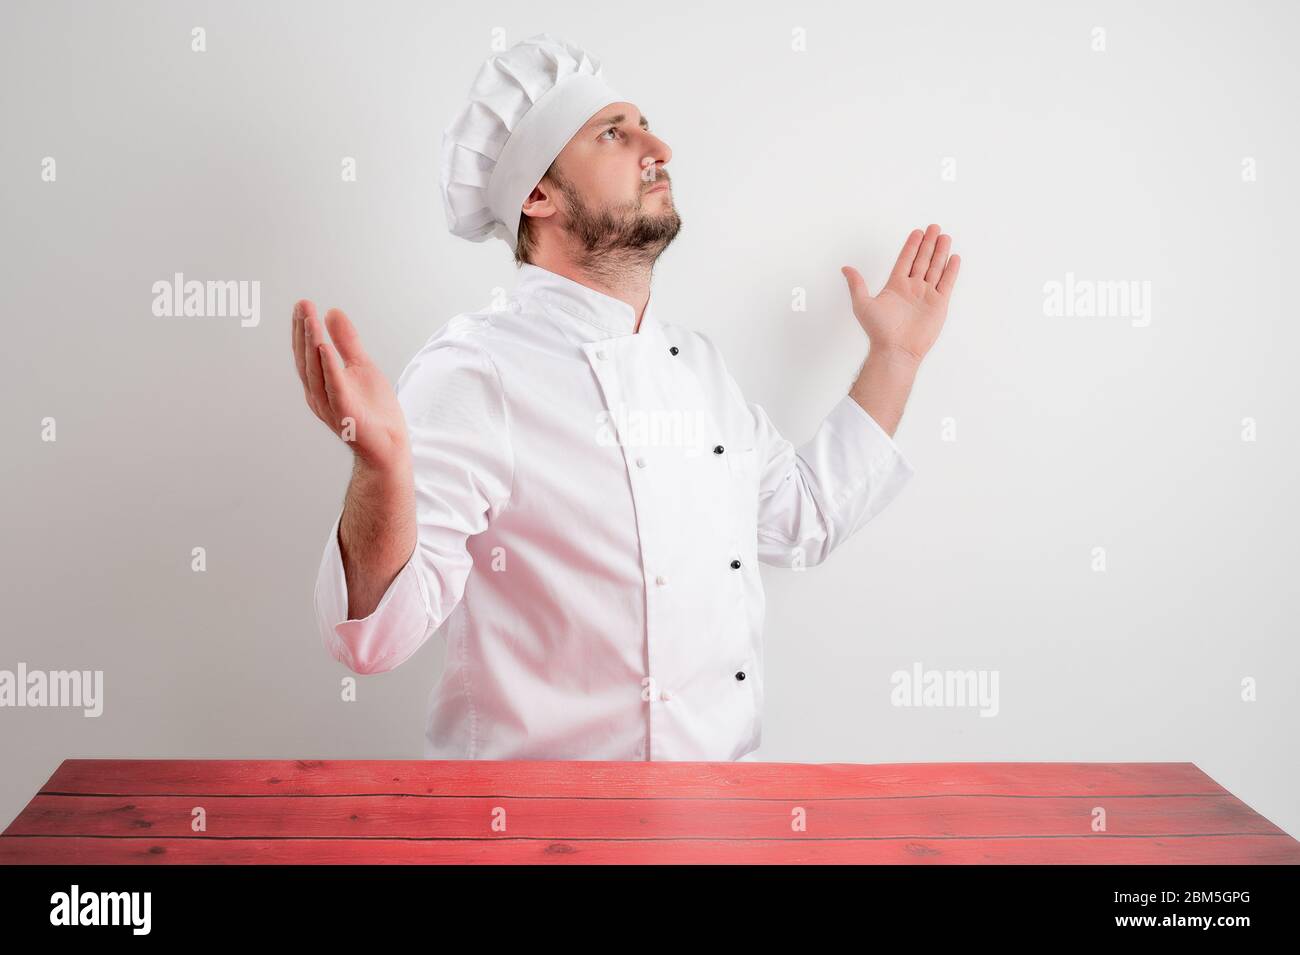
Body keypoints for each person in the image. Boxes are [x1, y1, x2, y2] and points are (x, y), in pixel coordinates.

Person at [290, 34, 960, 761]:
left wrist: (895, 356)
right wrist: (381, 471)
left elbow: (803, 518)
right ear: (537, 194)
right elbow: (372, 639)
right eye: (614, 132)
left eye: (644, 124)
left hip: (719, 827)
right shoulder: (476, 371)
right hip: (539, 835)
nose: (659, 146)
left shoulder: (698, 368)